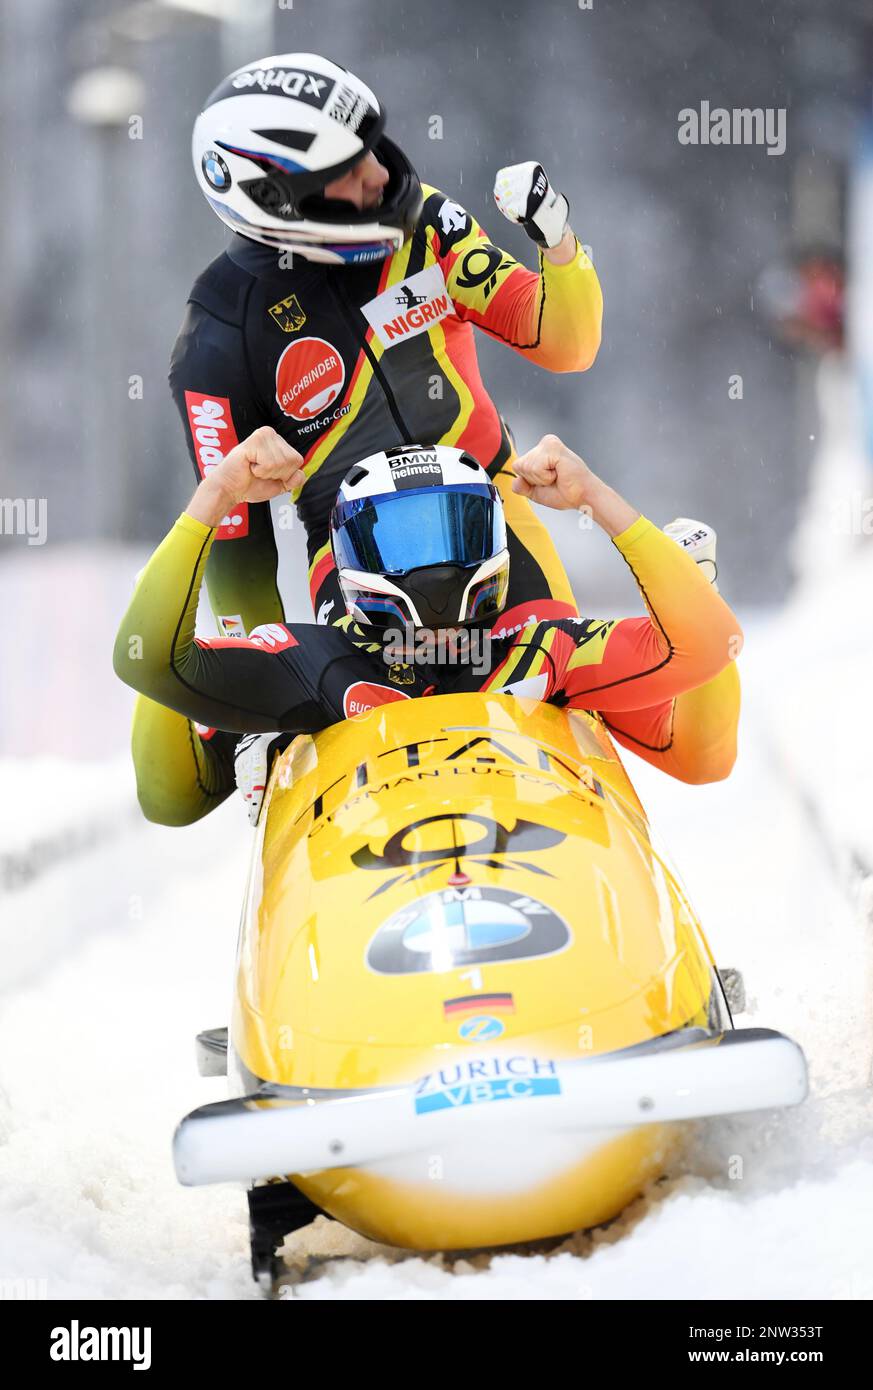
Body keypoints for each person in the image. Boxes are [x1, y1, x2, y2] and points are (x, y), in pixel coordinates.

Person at [172, 51, 603, 639]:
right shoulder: (217, 334)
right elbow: (235, 547)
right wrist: (254, 689)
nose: (378, 174)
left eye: (371, 146)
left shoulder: (428, 224)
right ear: (274, 199)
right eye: (346, 170)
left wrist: (557, 242)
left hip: (491, 509)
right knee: (377, 721)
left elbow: (565, 344)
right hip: (351, 549)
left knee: (555, 683)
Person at [114, 431, 742, 826]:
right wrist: (218, 492)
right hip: (369, 879)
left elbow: (707, 665)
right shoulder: (310, 660)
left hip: (531, 853)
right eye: (401, 540)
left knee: (700, 756)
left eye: (451, 532)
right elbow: (165, 782)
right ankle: (267, 752)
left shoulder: (543, 644)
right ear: (351, 558)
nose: (432, 566)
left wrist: (596, 498)